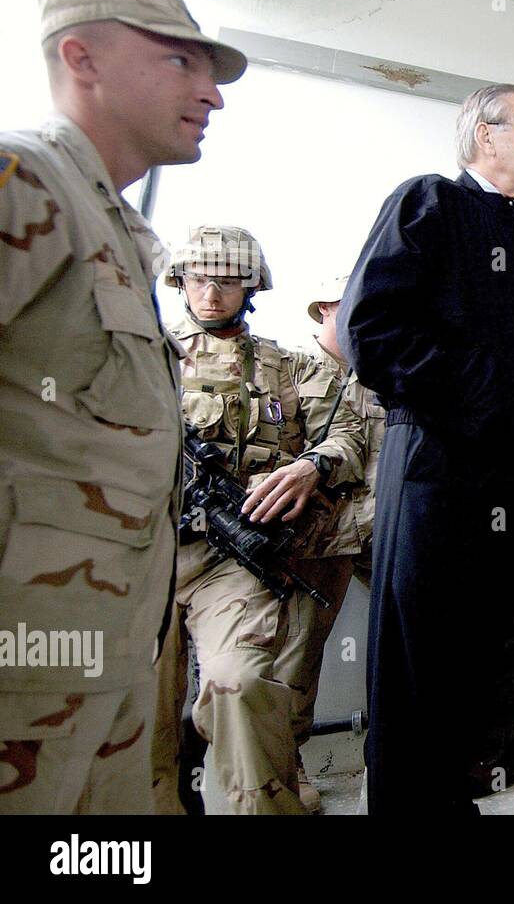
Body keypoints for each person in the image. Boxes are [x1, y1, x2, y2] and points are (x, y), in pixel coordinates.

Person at [0, 0, 243, 814]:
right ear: (81, 56)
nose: (211, 93)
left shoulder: (119, 229)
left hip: (101, 659)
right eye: (182, 63)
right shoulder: (24, 181)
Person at [338, 83, 514, 813]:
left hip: (509, 481)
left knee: (481, 664)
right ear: (485, 135)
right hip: (436, 466)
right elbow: (370, 331)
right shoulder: (427, 204)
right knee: (418, 669)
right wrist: (481, 394)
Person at [150, 226, 364, 815]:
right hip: (145, 557)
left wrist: (311, 467)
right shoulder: (147, 358)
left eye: (227, 280)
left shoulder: (288, 366)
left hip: (229, 561)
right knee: (147, 723)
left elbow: (347, 432)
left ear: (252, 286)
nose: (211, 293)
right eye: (198, 278)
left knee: (242, 685)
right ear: (180, 282)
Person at [269, 273, 388, 812]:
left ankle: (391, 758)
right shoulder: (289, 371)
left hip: (381, 530)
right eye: (351, 306)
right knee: (298, 654)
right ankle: (284, 763)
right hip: (317, 539)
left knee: (408, 644)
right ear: (323, 310)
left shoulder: (383, 370)